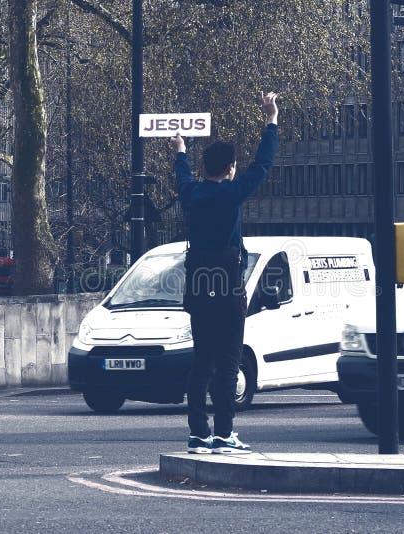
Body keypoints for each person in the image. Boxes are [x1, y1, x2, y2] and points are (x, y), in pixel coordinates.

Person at [170, 91, 279, 454]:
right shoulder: (233, 194)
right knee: (229, 361)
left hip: (199, 287)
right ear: (230, 168)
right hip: (229, 287)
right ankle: (224, 433)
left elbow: (182, 174)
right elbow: (262, 165)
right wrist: (271, 120)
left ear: (205, 169)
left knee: (201, 360)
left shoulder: (191, 194)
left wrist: (180, 149)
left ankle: (198, 433)